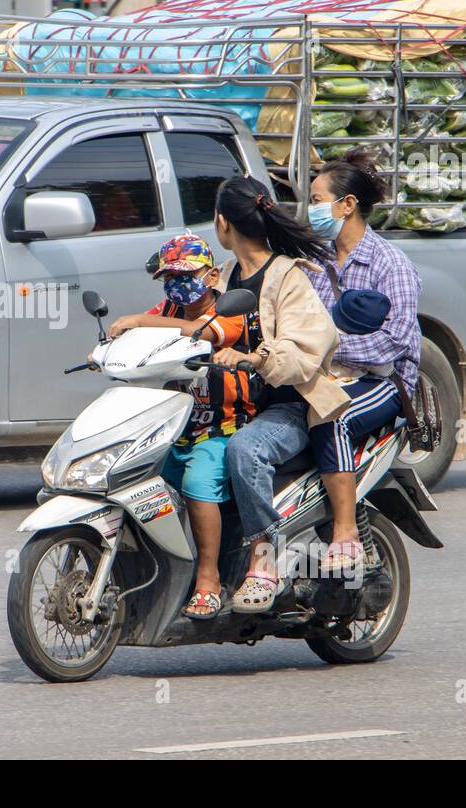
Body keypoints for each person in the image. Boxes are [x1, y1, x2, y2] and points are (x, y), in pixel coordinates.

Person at [208, 175, 352, 613]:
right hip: (227, 404)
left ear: (222, 223)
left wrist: (255, 358)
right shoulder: (226, 275)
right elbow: (199, 328)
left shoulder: (288, 277)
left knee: (245, 451)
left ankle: (263, 557)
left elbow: (309, 346)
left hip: (287, 409)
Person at [107, 234, 252, 619]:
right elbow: (146, 332)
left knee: (197, 485)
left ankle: (209, 580)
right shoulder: (170, 305)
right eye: (168, 275)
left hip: (222, 429)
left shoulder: (229, 308)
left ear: (211, 275)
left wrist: (139, 320)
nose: (176, 282)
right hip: (172, 429)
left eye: (184, 274)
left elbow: (201, 332)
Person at [303, 149, 424, 576]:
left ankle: (345, 531)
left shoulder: (392, 266)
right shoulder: (312, 260)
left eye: (317, 200)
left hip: (383, 385)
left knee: (330, 414)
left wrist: (326, 349)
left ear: (347, 205)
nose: (311, 209)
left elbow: (393, 343)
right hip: (318, 375)